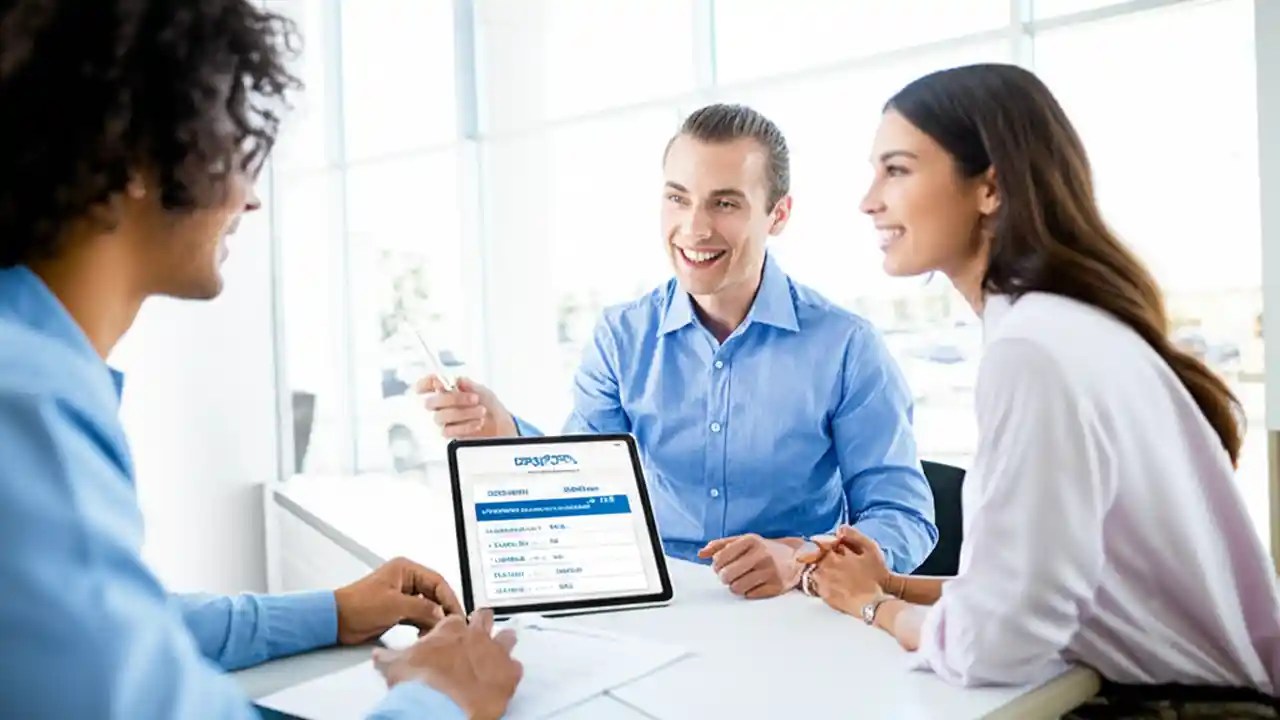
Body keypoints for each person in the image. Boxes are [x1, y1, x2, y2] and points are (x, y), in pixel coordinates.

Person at [0, 2, 520, 718]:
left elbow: (116, 629)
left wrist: (332, 610)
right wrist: (439, 697)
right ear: (137, 158)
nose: (250, 201)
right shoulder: (27, 413)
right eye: (235, 147)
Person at [800, 63, 1280, 713]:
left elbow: (996, 645)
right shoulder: (1073, 327)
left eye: (898, 169)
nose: (868, 199)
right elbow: (1050, 594)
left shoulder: (1032, 350)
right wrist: (898, 586)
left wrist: (873, 606)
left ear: (990, 187)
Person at [420, 103, 937, 599]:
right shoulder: (622, 337)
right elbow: (579, 485)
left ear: (777, 215)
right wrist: (501, 432)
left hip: (794, 609)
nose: (694, 227)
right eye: (678, 198)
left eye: (725, 203)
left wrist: (802, 558)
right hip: (657, 605)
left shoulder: (845, 347)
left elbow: (903, 518)